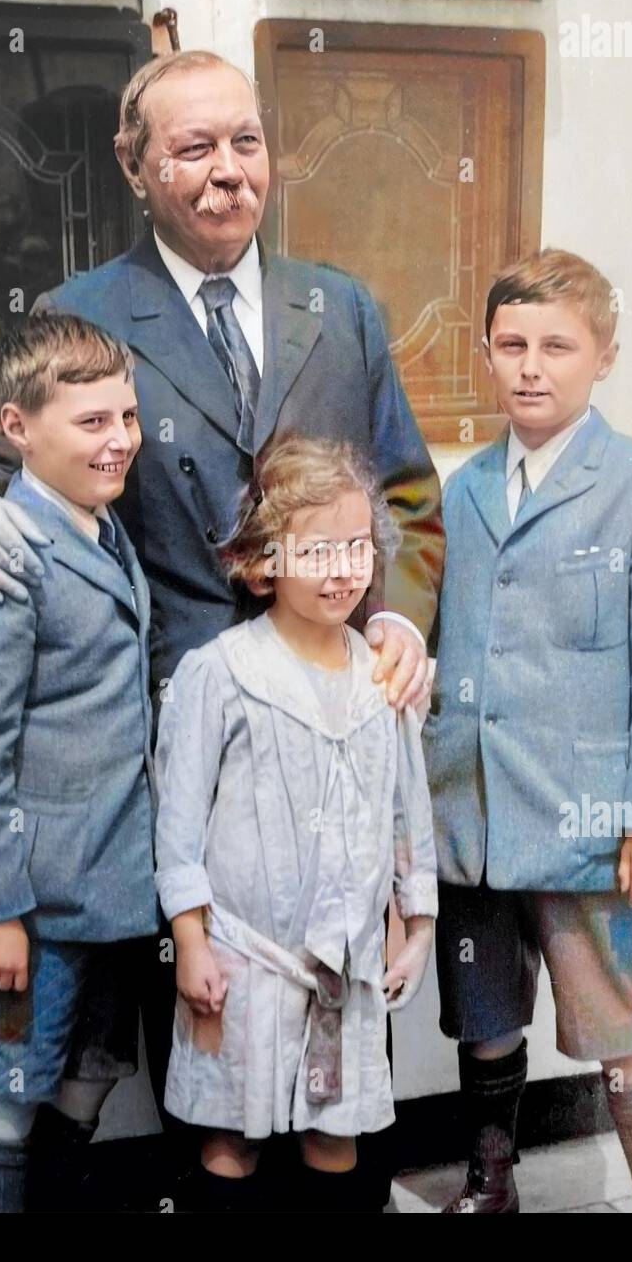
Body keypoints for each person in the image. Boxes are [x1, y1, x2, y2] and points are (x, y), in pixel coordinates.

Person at [0, 52, 445, 1195]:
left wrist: (401, 618)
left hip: (327, 727)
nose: (225, 174)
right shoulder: (84, 314)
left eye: (244, 143)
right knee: (204, 1041)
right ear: (136, 165)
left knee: (330, 1032)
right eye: (192, 148)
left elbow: (404, 492)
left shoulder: (339, 307)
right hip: (176, 742)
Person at [425, 248, 632, 1214]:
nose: (531, 366)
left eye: (557, 345)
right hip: (474, 817)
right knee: (486, 1020)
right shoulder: (460, 493)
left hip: (592, 827)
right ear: (488, 356)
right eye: (511, 345)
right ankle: (490, 1180)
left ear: (605, 357)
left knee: (624, 1027)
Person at [153, 434, 438, 1212]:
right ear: (262, 560)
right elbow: (177, 830)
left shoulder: (379, 681)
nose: (342, 569)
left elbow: (407, 812)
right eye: (316, 551)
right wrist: (190, 944)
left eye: (356, 547)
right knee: (230, 1133)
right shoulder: (220, 675)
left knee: (334, 1129)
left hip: (343, 969)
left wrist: (415, 929)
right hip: (240, 960)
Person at [0, 314, 159, 1212]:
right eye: (92, 422)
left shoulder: (99, 525)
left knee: (89, 1072)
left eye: (128, 416)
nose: (120, 440)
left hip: (104, 891)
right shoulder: (5, 556)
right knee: (8, 1095)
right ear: (18, 429)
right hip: (25, 901)